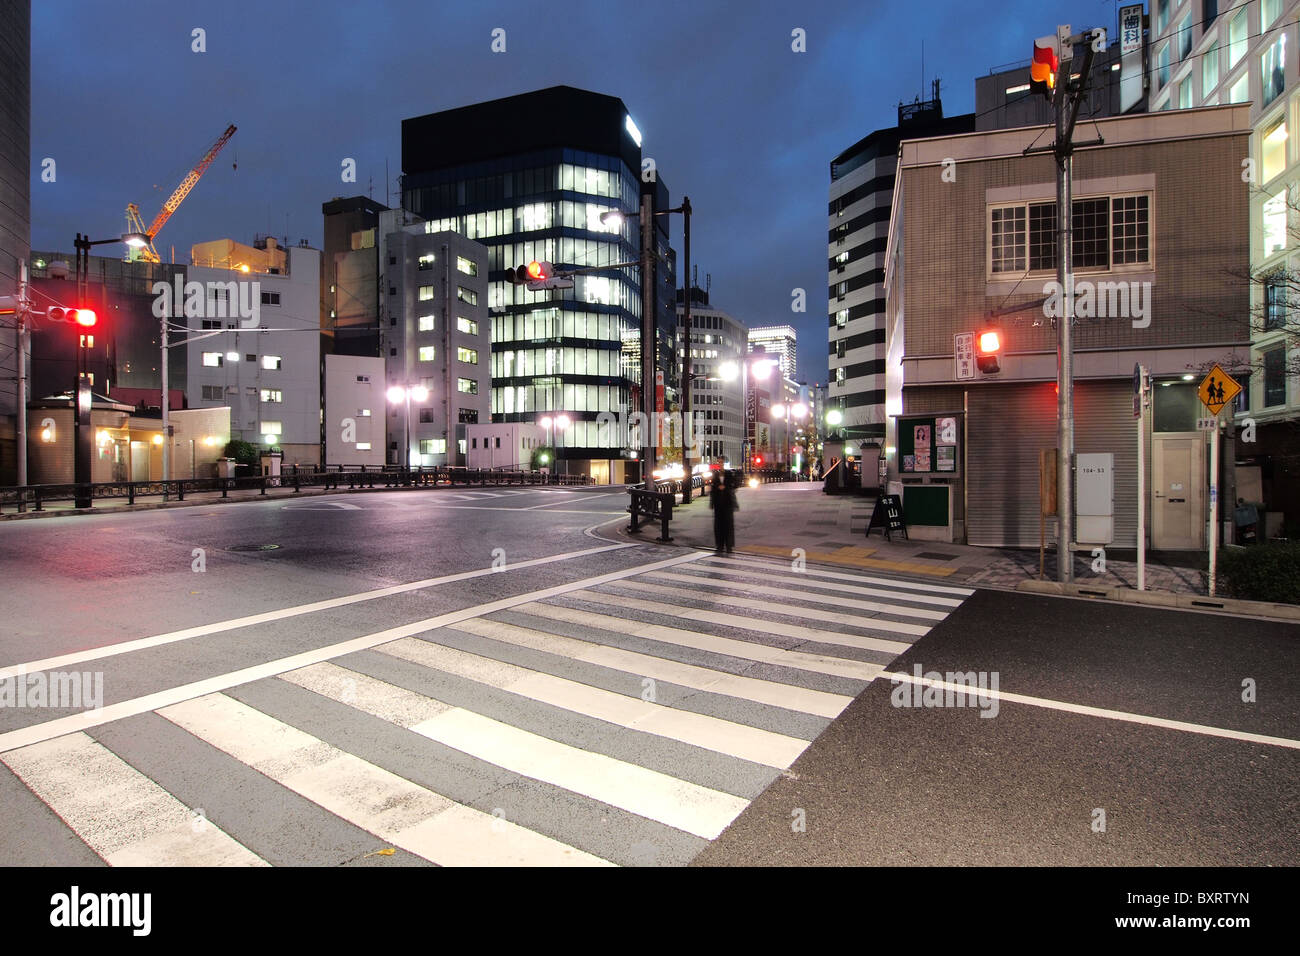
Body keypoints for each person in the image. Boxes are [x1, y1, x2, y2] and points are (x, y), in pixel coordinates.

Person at [710, 468, 738, 553]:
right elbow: (713, 489)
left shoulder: (729, 474)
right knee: (718, 526)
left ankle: (729, 546)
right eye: (719, 462)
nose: (720, 464)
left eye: (721, 462)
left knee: (728, 525)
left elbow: (735, 484)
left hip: (728, 503)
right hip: (718, 504)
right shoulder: (715, 475)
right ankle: (719, 546)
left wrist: (725, 487)